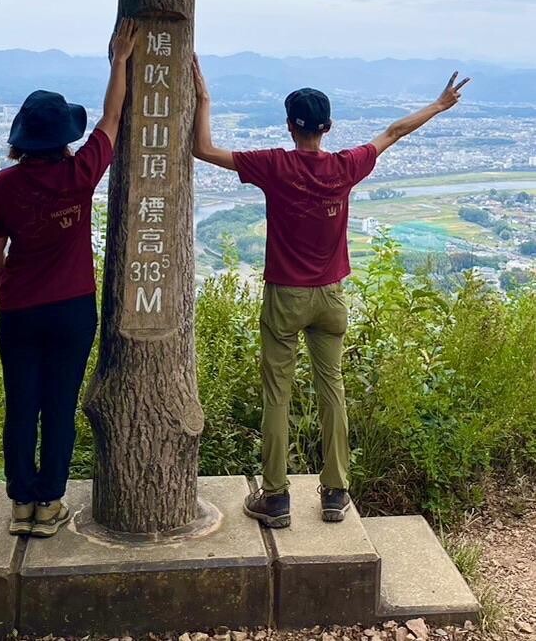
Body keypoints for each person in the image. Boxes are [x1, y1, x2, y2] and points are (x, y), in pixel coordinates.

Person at [192, 57, 469, 528]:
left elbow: (203, 149)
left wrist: (204, 98)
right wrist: (440, 105)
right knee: (332, 390)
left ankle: (276, 498)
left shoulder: (274, 165)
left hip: (286, 296)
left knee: (277, 395)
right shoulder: (345, 166)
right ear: (329, 127)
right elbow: (395, 131)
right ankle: (335, 493)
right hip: (331, 297)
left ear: (288, 125)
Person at [0, 18, 138, 538]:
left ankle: (21, 504)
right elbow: (112, 118)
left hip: (21, 310)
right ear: (63, 139)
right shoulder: (78, 175)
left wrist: (5, 285)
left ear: (22, 139)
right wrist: (119, 60)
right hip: (73, 307)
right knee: (59, 405)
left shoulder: (3, 185)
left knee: (21, 405)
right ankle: (50, 503)